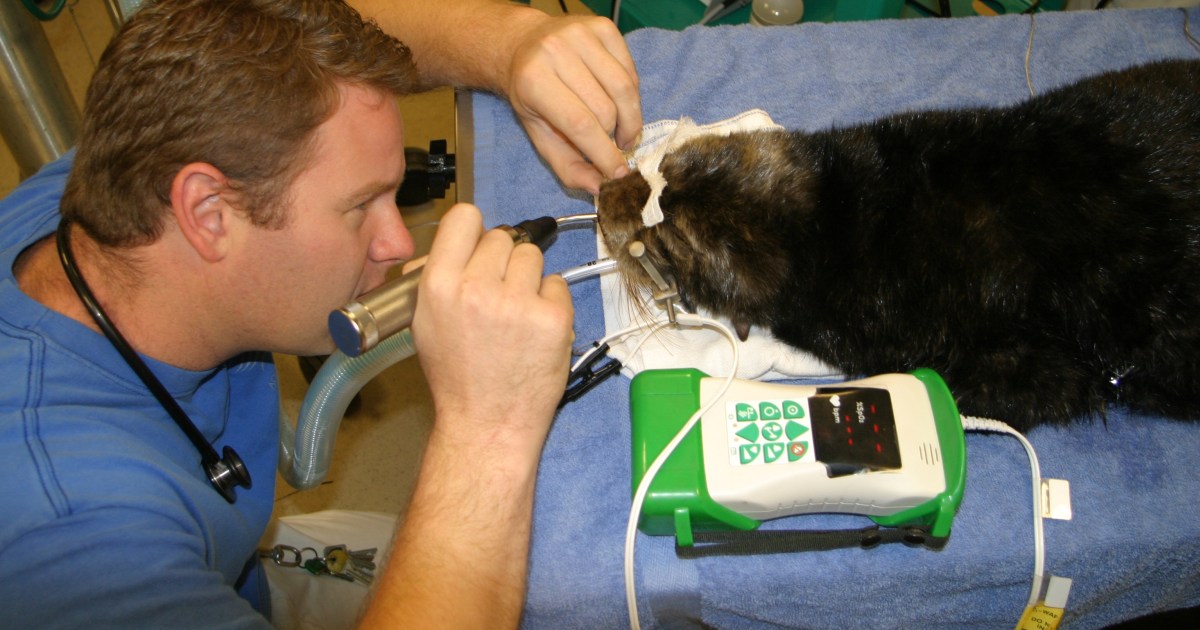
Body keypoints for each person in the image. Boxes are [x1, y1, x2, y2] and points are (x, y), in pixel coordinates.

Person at [0, 0, 641, 627]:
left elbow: (310, 35)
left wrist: (510, 42)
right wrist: (488, 430)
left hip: (244, 567)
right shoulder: (78, 545)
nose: (397, 244)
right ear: (207, 213)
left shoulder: (135, 172)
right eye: (361, 207)